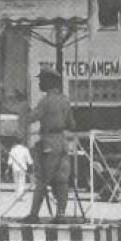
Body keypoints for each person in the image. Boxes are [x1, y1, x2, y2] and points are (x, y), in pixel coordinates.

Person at [20, 67, 75, 224]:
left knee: (42, 180)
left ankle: (34, 214)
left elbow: (31, 118)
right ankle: (61, 214)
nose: (39, 83)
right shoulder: (65, 100)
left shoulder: (45, 101)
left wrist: (23, 109)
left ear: (50, 81)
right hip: (62, 142)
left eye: (42, 80)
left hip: (48, 143)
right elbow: (72, 124)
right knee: (62, 181)